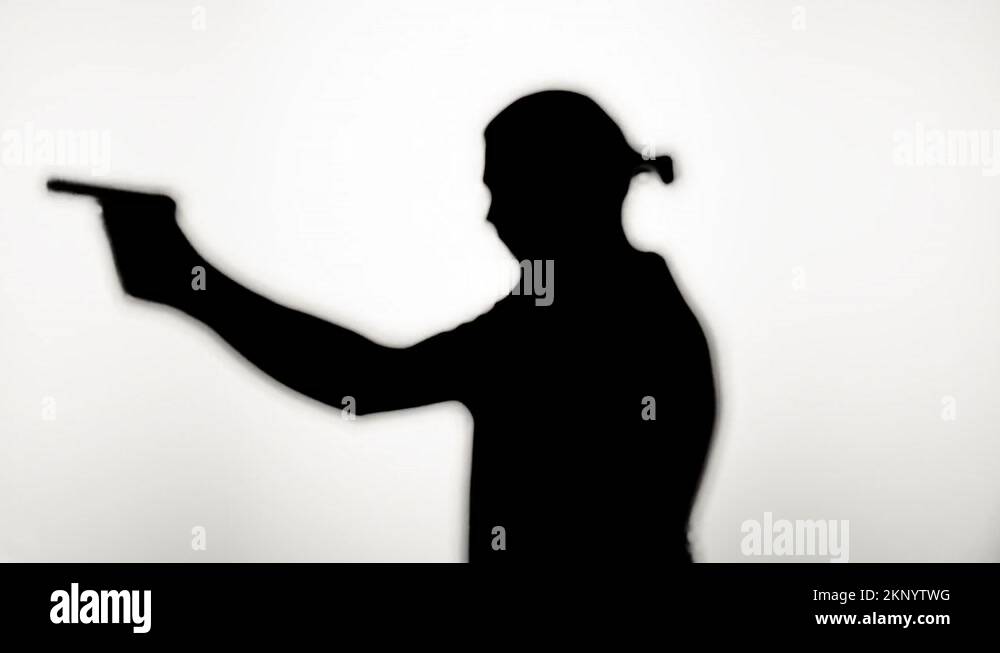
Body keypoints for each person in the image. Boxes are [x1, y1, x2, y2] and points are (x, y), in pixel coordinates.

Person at [62, 90, 717, 562]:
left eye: (503, 191)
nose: (491, 218)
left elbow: (365, 380)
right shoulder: (603, 306)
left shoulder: (578, 319)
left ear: (559, 190)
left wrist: (189, 283)